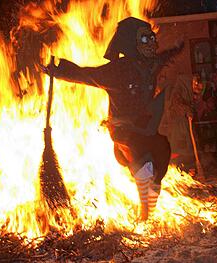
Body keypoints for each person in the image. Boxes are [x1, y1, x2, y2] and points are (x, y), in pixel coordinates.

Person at [43, 17, 183, 220]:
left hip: (144, 127)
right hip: (123, 131)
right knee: (141, 157)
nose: (151, 43)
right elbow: (87, 75)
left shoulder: (150, 65)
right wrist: (59, 70)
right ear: (131, 43)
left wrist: (177, 49)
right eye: (145, 39)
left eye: (152, 38)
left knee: (162, 149)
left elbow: (164, 58)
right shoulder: (118, 70)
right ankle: (144, 205)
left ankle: (149, 203)